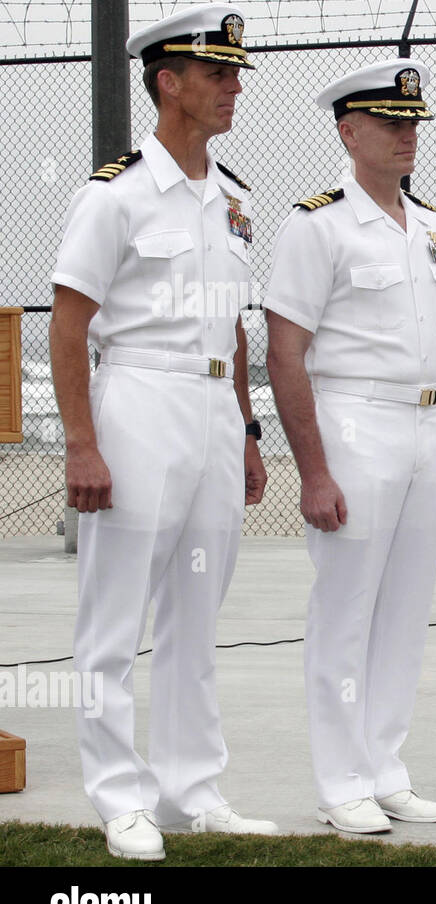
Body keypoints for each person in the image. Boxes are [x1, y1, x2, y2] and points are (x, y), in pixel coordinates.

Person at [48, 3, 275, 860]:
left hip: (215, 409)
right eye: (218, 73)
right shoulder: (115, 193)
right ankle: (119, 797)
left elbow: (238, 325)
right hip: (139, 398)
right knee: (114, 615)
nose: (234, 87)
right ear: (168, 81)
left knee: (196, 608)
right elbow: (71, 324)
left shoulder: (235, 200)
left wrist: (249, 429)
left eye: (236, 72)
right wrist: (80, 441)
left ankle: (191, 789)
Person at [264, 60, 436, 834]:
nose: (405, 134)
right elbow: (286, 349)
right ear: (350, 132)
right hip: (354, 421)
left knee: (406, 611)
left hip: (426, 426)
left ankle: (385, 767)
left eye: (412, 122)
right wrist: (313, 470)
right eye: (390, 123)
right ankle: (340, 778)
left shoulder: (435, 226)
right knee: (346, 610)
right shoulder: (317, 224)